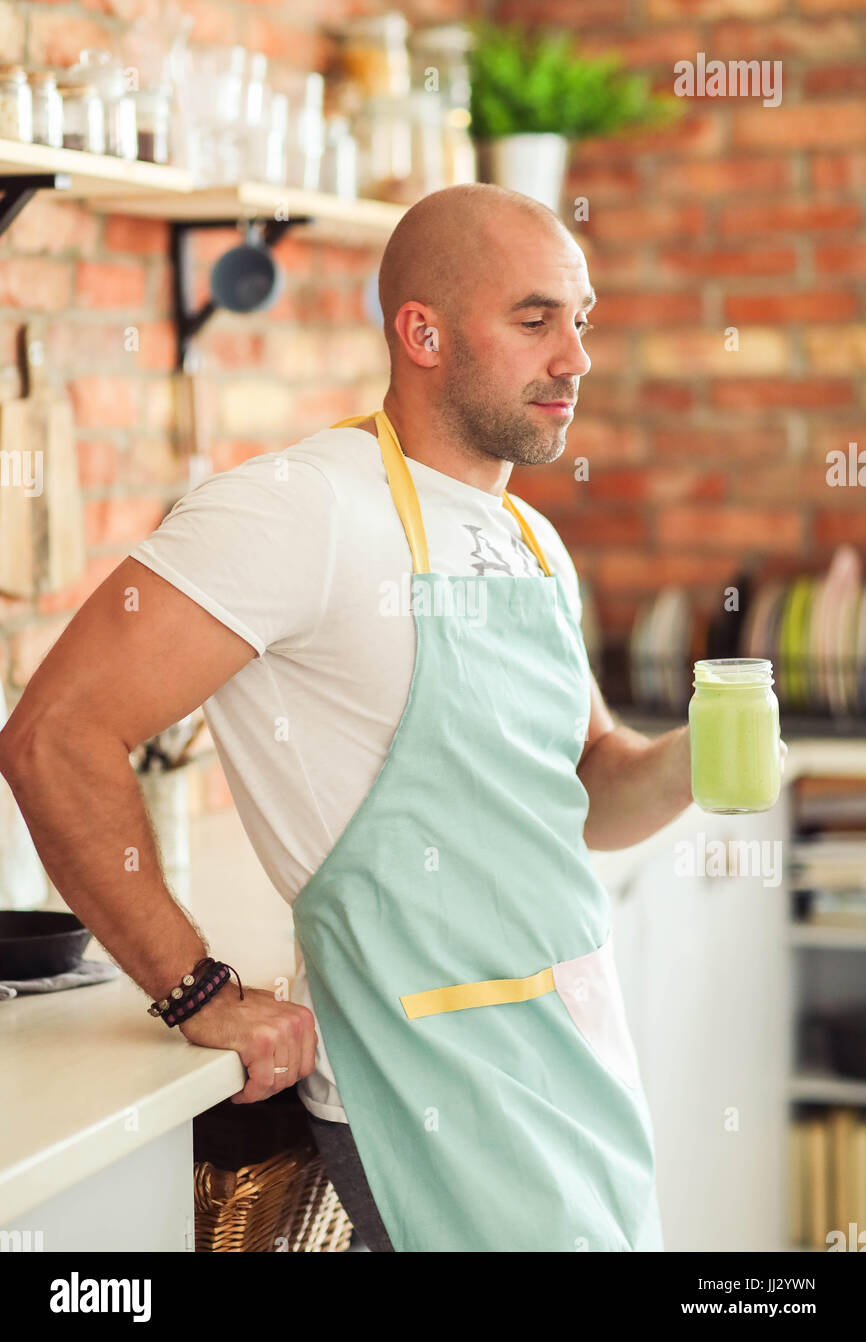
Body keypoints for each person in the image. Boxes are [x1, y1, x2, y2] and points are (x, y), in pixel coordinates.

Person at [0, 183, 776, 1253]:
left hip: (570, 1064)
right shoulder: (298, 509)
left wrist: (698, 758)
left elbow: (587, 787)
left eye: (581, 321)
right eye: (534, 319)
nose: (575, 359)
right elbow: (55, 732)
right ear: (421, 332)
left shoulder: (525, 541)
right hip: (431, 1091)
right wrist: (194, 987)